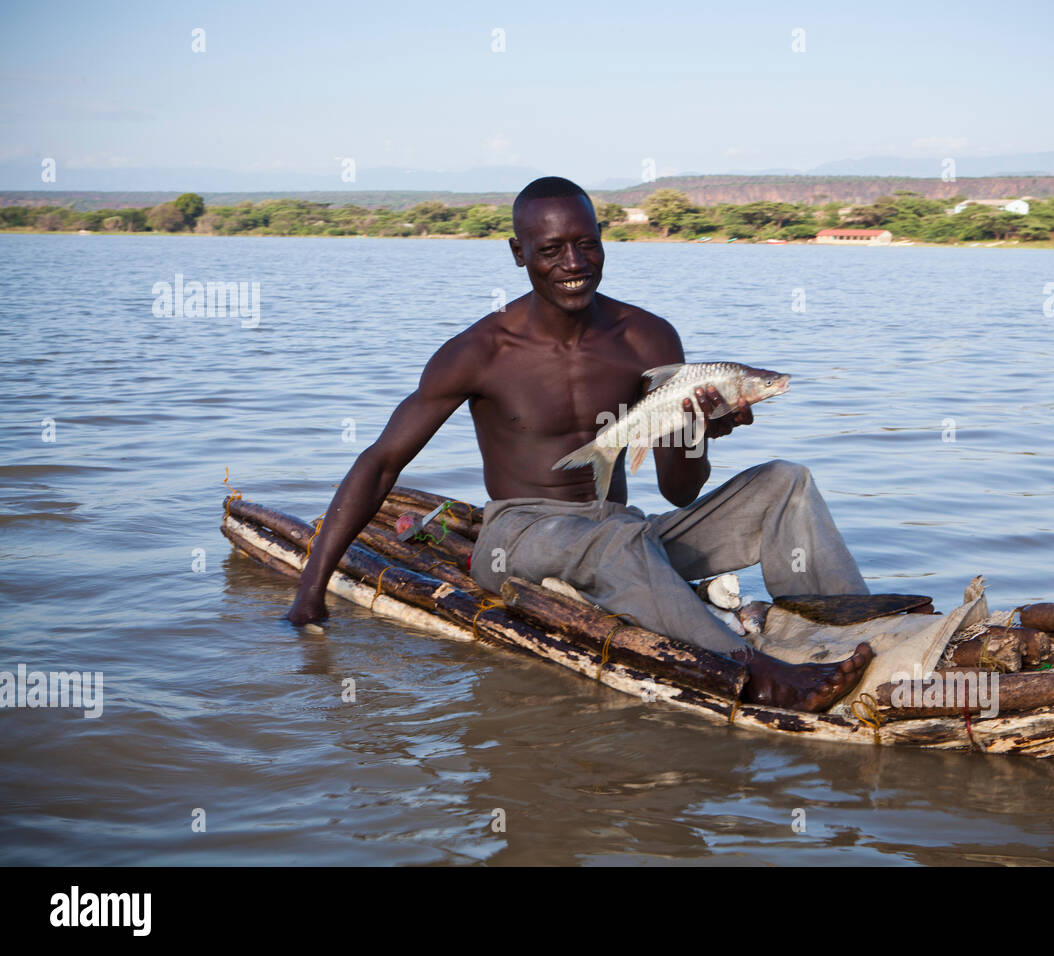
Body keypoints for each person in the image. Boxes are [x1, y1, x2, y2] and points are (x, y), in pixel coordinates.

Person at [287, 176, 873, 712]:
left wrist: (696, 431)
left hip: (625, 529)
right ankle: (758, 674)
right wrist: (311, 591)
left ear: (602, 241)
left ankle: (853, 632)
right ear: (519, 255)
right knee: (613, 542)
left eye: (586, 244)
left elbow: (678, 488)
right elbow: (382, 461)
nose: (573, 263)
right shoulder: (481, 350)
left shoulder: (647, 337)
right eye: (550, 250)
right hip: (520, 536)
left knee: (784, 482)